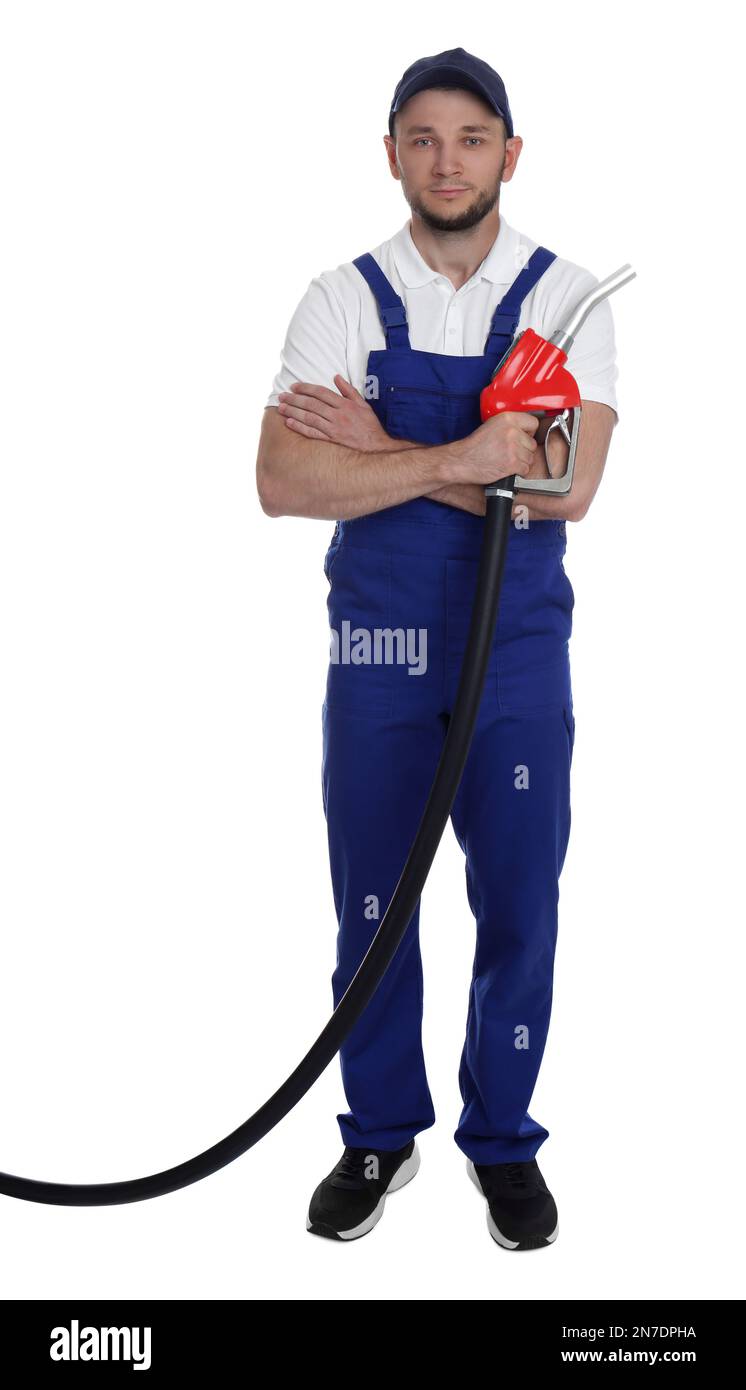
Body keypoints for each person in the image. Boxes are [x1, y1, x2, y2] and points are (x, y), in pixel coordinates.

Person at [256, 47, 619, 1249]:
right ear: (391, 153)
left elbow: (565, 493)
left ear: (508, 155)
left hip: (513, 652)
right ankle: (377, 1133)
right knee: (371, 903)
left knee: (517, 897)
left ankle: (502, 1141)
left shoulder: (567, 300)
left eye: (471, 139)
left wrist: (383, 457)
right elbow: (283, 479)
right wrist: (472, 460)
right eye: (421, 137)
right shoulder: (337, 299)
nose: (446, 160)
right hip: (375, 647)